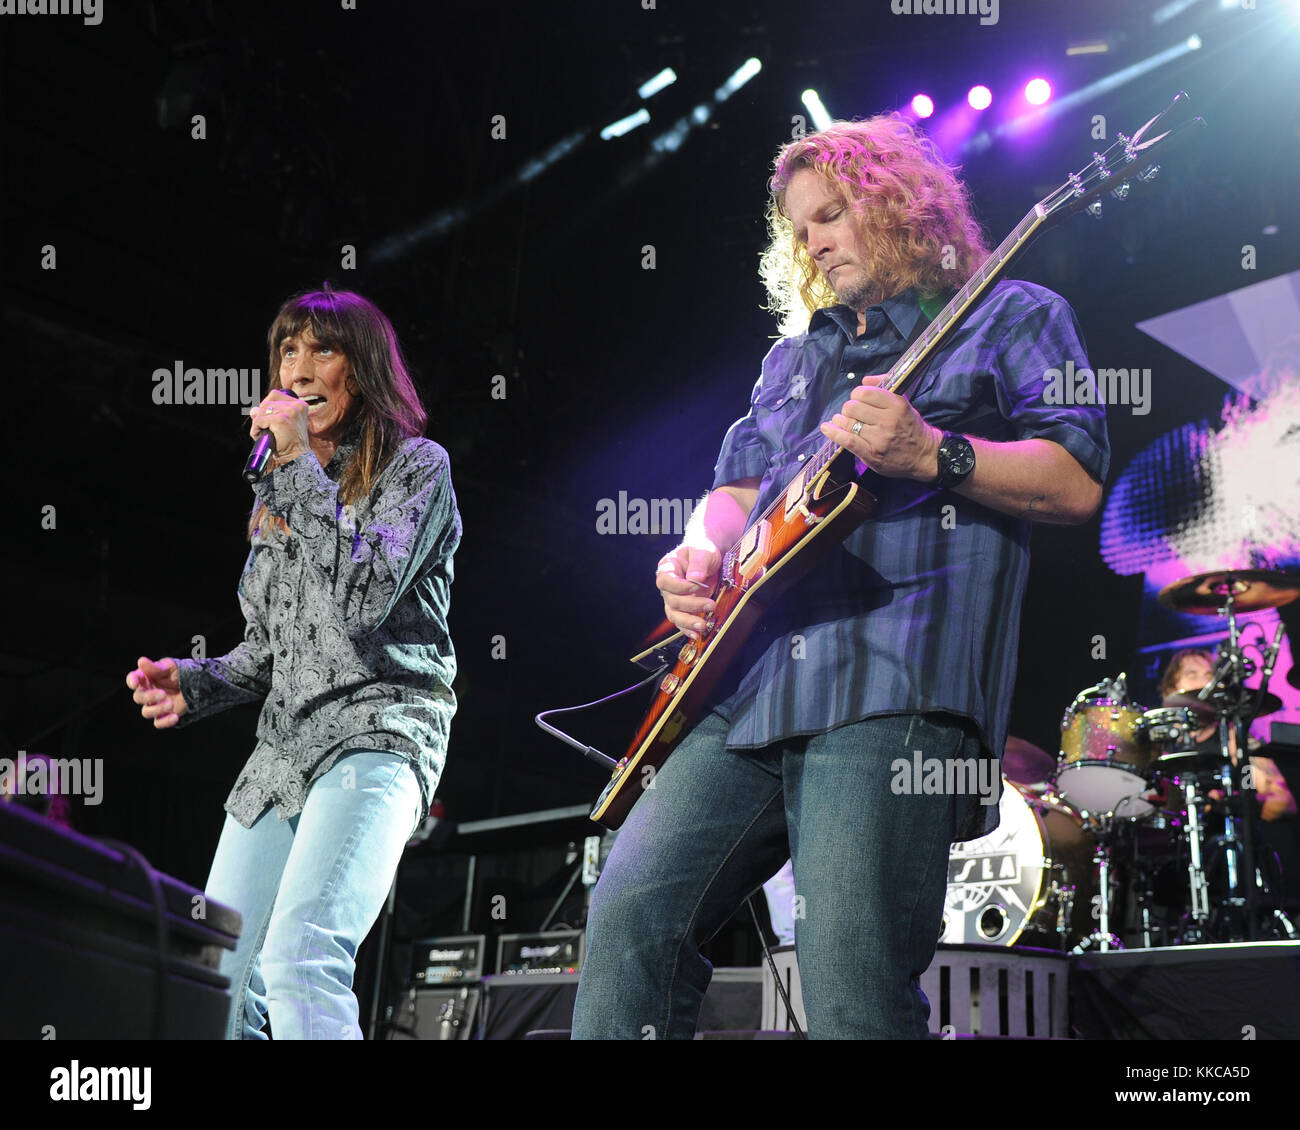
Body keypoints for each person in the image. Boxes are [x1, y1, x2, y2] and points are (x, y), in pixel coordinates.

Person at [571, 115, 1108, 1040]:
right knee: (627, 926)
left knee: (852, 987)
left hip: (895, 678)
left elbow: (1076, 481)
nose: (813, 239)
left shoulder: (1012, 313)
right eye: (799, 227)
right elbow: (733, 492)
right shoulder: (797, 356)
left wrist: (935, 453)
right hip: (747, 685)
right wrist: (693, 551)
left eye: (833, 213)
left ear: (903, 205)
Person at [125, 287, 461, 1040]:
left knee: (302, 957)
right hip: (281, 754)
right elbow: (272, 650)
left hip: (376, 734)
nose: (300, 368)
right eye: (288, 350)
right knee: (214, 975)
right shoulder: (277, 493)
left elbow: (363, 602)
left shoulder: (417, 469)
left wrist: (296, 469)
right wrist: (197, 681)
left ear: (362, 367)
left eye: (323, 349)